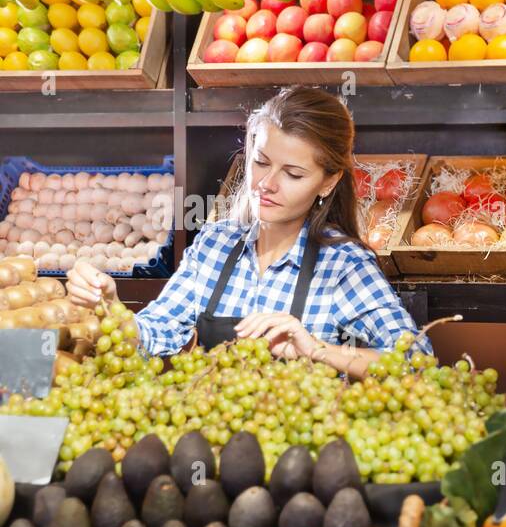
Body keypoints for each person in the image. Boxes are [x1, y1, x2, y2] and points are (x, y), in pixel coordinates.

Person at [66, 86, 430, 377]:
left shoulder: (343, 265)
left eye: (293, 174)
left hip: (296, 458)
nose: (267, 184)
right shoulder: (214, 244)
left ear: (328, 182)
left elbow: (418, 362)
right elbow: (151, 337)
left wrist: (318, 349)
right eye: (260, 162)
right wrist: (109, 307)